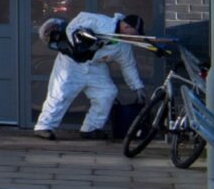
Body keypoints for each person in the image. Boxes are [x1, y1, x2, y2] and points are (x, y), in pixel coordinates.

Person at [34, 9, 144, 141]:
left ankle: (91, 128)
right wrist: (82, 42)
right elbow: (73, 25)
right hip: (71, 63)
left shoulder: (123, 46)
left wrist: (137, 87)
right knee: (60, 93)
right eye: (134, 33)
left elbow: (128, 66)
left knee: (107, 92)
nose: (135, 37)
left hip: (96, 66)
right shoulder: (99, 21)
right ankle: (44, 126)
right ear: (126, 26)